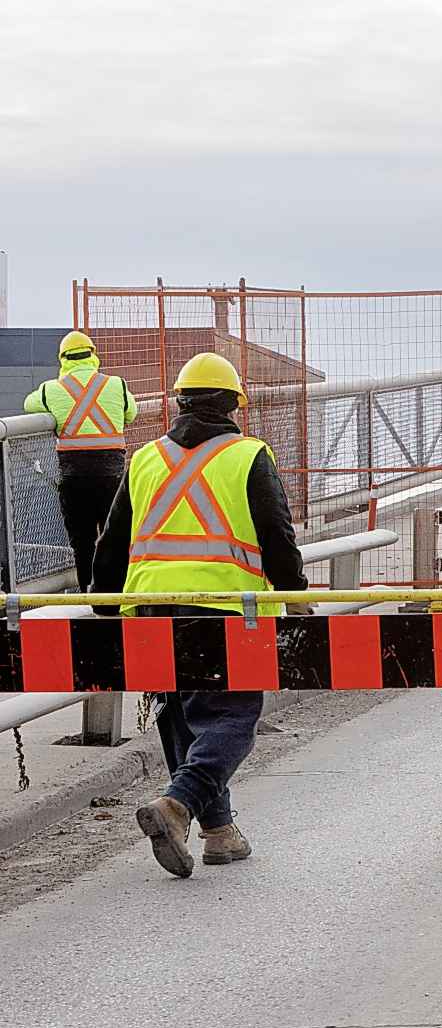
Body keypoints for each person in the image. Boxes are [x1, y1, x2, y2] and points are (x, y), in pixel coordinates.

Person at [90, 351, 308, 877]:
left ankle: (219, 831)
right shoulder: (248, 456)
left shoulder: (145, 458)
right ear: (235, 405)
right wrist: (294, 595)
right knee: (233, 716)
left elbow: (112, 539)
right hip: (221, 606)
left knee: (182, 714)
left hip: (150, 608)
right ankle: (178, 803)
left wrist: (104, 600)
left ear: (178, 403)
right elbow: (277, 535)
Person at [24, 331, 138, 586]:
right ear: (93, 355)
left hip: (74, 477)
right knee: (115, 537)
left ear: (63, 359)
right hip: (111, 476)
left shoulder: (51, 389)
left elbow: (29, 405)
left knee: (82, 542)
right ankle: (117, 593)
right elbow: (131, 414)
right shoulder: (116, 385)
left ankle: (88, 593)